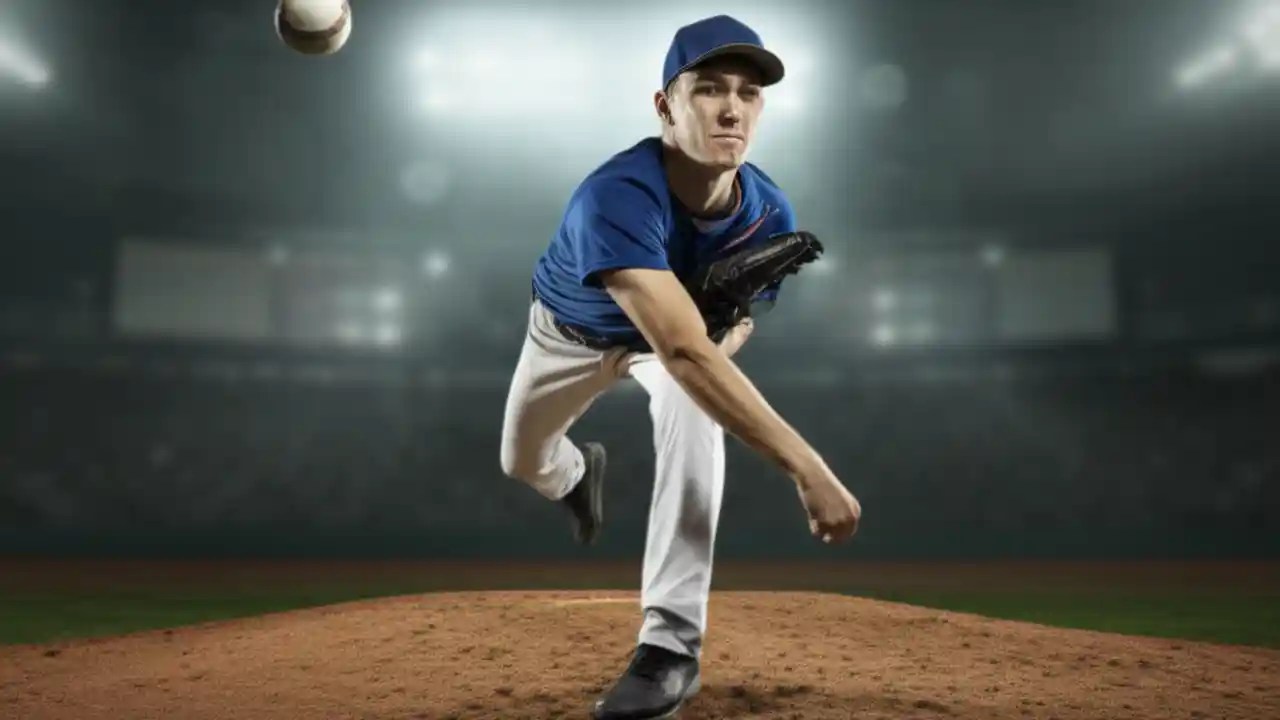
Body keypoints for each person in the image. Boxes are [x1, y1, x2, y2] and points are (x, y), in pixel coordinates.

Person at [499, 14, 862, 720]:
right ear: (665, 106)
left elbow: (724, 337)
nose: (732, 108)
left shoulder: (768, 211)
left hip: (667, 342)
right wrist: (809, 469)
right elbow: (685, 349)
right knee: (522, 459)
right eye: (710, 89)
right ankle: (575, 475)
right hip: (566, 336)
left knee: (695, 402)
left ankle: (670, 647)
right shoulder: (616, 195)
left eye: (749, 93)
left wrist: (724, 332)